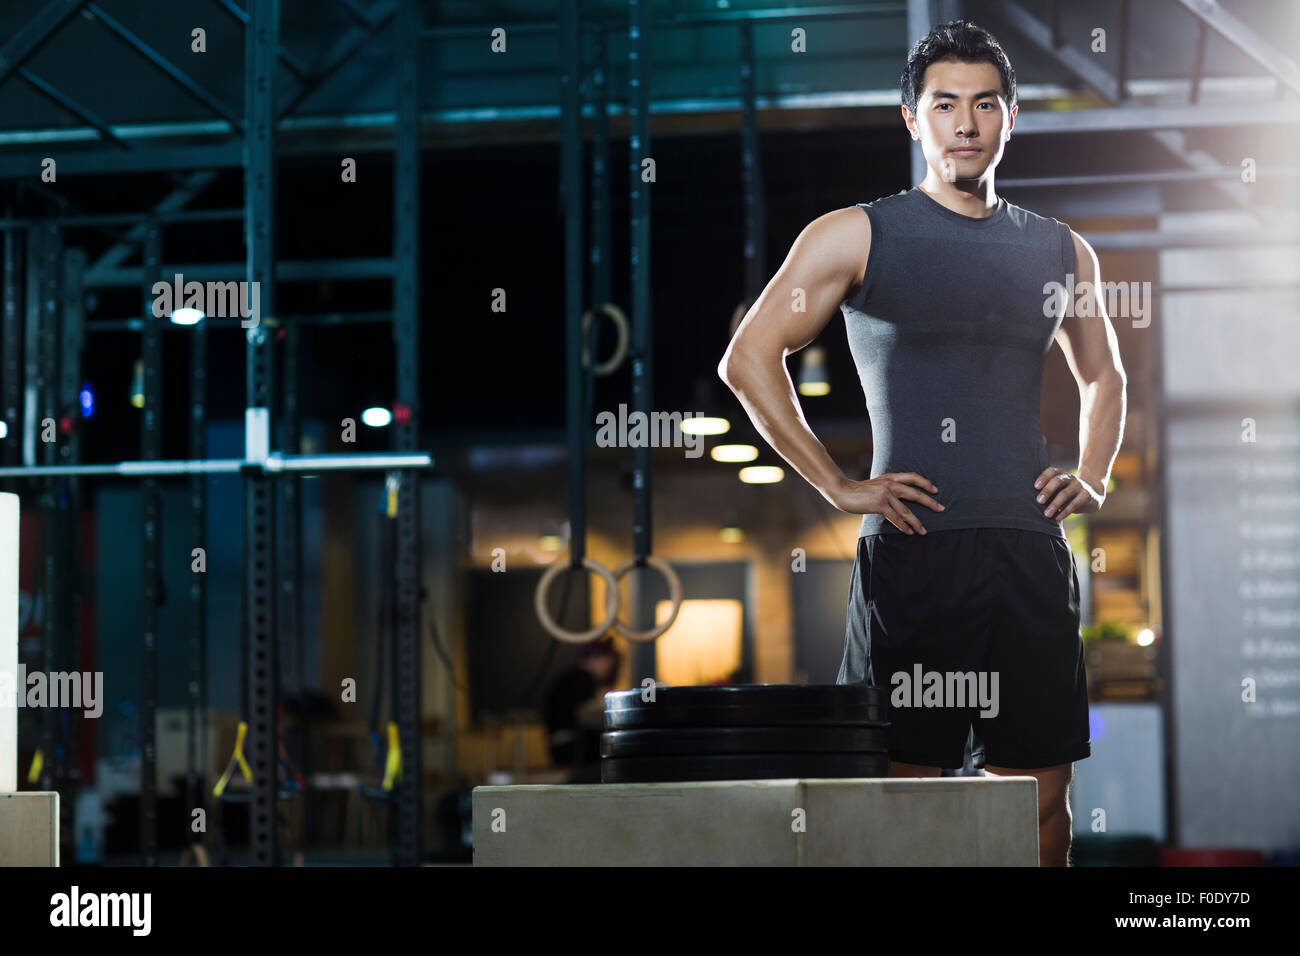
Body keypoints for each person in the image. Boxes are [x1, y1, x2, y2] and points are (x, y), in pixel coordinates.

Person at [717, 20, 1127, 866]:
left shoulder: (1061, 249)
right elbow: (749, 359)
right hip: (913, 553)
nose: (966, 124)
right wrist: (836, 483)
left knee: (1043, 808)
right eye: (945, 105)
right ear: (913, 119)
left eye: (985, 105)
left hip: (1028, 554)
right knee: (900, 803)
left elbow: (1104, 377)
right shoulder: (858, 234)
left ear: (1011, 117)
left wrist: (1093, 474)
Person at [543, 636, 622, 782]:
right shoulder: (582, 678)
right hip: (572, 748)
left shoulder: (571, 677)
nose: (609, 666)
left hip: (560, 747)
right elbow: (586, 713)